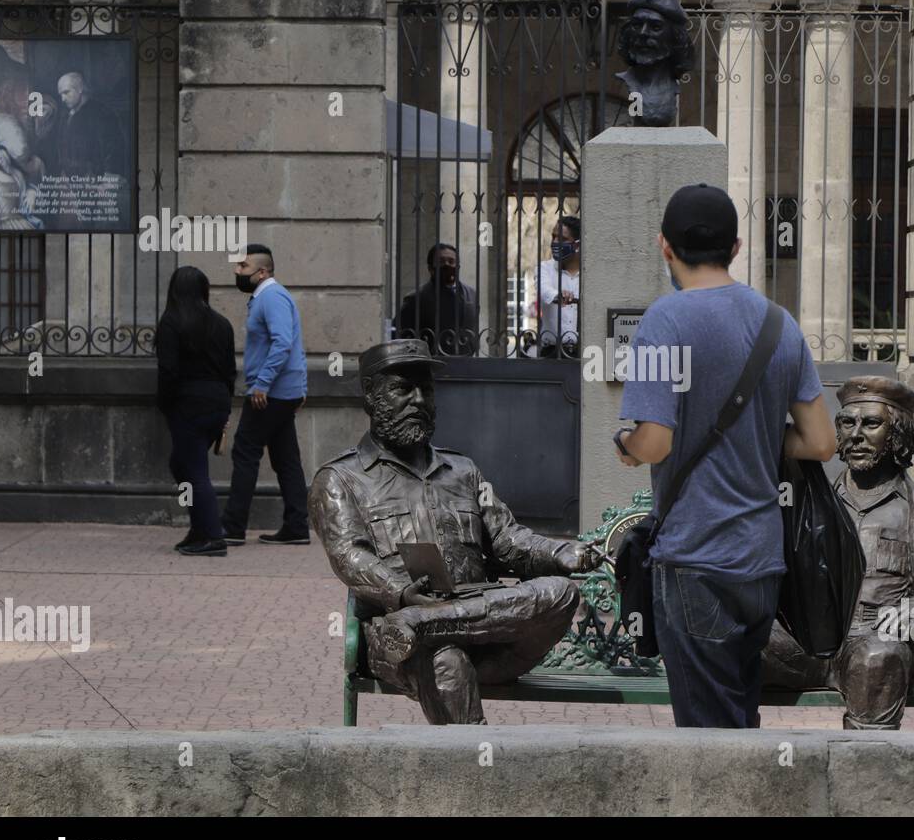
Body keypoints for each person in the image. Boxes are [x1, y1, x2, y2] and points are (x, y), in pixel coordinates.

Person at [614, 183, 837, 729]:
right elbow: (821, 442)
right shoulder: (778, 324)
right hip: (762, 562)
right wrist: (761, 437)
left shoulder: (664, 322)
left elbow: (655, 441)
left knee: (709, 740)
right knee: (738, 718)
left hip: (696, 560)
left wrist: (623, 447)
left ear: (664, 247)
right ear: (736, 248)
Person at [308, 338, 603, 724]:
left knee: (561, 592)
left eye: (425, 389)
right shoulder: (339, 479)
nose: (418, 400)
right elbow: (349, 555)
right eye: (403, 389)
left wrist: (560, 553)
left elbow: (507, 540)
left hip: (490, 640)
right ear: (370, 397)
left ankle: (428, 622)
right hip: (401, 644)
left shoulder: (463, 471)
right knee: (446, 662)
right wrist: (400, 593)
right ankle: (480, 777)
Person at [761, 377, 914, 730]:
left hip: (877, 639)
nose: (856, 434)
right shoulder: (807, 501)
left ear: (899, 434)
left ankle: (861, 774)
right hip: (803, 642)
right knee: (735, 640)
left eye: (871, 423)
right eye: (847, 423)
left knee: (880, 657)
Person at [221, 245, 311, 546]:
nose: (237, 272)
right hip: (282, 391)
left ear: (262, 272)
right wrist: (299, 388)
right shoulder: (269, 297)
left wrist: (262, 384)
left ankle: (233, 527)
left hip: (268, 393)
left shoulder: (271, 297)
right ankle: (297, 526)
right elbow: (294, 344)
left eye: (243, 267)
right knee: (286, 458)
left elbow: (283, 343)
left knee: (245, 451)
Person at [155, 266, 237, 557]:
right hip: (216, 401)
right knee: (182, 464)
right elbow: (230, 371)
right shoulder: (222, 324)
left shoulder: (171, 322)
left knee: (194, 471)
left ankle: (213, 536)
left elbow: (168, 371)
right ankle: (200, 527)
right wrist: (225, 405)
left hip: (187, 403)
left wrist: (165, 403)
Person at [394, 243, 479, 355]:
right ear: (430, 268)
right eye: (441, 261)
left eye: (451, 261)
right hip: (432, 365)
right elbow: (401, 334)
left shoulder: (471, 295)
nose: (447, 265)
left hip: (466, 363)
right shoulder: (415, 298)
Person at [537, 215, 581, 358]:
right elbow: (543, 289)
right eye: (554, 237)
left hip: (584, 352)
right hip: (551, 352)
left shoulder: (590, 275)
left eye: (562, 239)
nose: (555, 242)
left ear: (577, 244)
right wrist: (558, 295)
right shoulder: (544, 268)